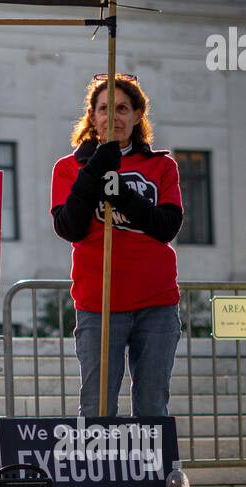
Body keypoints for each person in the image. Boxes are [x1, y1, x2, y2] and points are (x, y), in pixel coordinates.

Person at [50, 74, 183, 417]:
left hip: (156, 304)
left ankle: (155, 472)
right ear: (92, 116)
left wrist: (123, 195)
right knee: (97, 407)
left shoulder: (162, 166)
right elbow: (69, 228)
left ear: (138, 115)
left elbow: (166, 226)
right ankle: (98, 471)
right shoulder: (69, 168)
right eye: (105, 109)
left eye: (123, 108)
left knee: (152, 406)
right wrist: (93, 172)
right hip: (99, 304)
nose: (114, 117)